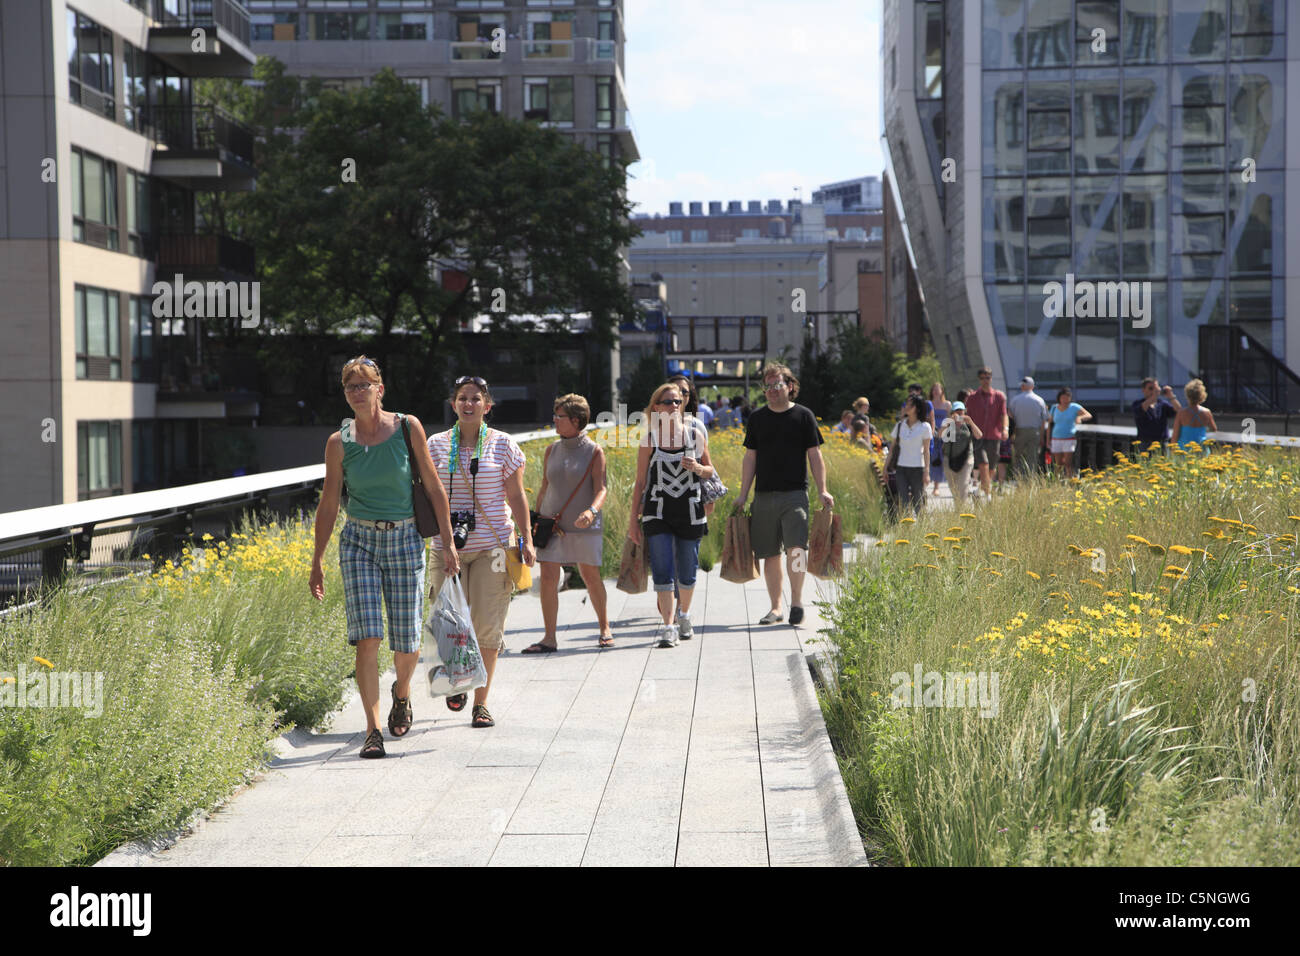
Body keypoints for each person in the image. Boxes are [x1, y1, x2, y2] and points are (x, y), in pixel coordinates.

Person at [310, 356, 458, 760]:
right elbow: (328, 504)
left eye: (364, 385)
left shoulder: (407, 428)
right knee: (367, 638)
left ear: (380, 388)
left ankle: (402, 692)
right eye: (350, 386)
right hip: (358, 540)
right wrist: (317, 558)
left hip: (406, 538)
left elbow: (432, 485)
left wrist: (448, 542)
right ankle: (373, 729)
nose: (357, 392)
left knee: (407, 640)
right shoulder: (339, 443)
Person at [426, 375, 535, 729]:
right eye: (462, 398)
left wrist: (528, 538)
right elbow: (427, 495)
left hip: (494, 546)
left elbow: (516, 495)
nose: (469, 404)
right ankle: (458, 677)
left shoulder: (503, 445)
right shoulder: (436, 445)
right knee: (448, 623)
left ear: (487, 406)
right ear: (453, 404)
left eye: (476, 398)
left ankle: (481, 702)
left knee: (487, 626)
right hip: (447, 547)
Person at [736, 362, 834, 627]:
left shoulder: (804, 416)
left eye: (776, 385)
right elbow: (750, 458)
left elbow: (815, 456)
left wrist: (822, 489)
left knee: (797, 550)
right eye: (767, 386)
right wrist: (743, 495)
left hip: (795, 495)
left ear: (789, 387)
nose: (771, 391)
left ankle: (797, 602)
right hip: (764, 496)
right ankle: (776, 607)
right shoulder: (757, 418)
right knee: (769, 554)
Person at [627, 382, 715, 647]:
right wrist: (633, 520)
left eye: (678, 401)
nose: (674, 406)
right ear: (656, 407)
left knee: (688, 570)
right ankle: (668, 626)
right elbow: (640, 482)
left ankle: (684, 615)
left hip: (690, 510)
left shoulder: (695, 435)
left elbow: (711, 471)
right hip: (657, 511)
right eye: (668, 402)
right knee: (663, 570)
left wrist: (698, 468)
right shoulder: (650, 439)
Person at [526, 394, 611, 652]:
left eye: (559, 416)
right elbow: (544, 487)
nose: (554, 420)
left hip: (584, 524)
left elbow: (602, 489)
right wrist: (535, 521)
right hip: (552, 525)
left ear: (576, 420)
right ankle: (549, 637)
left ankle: (604, 627)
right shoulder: (551, 449)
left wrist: (592, 511)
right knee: (549, 577)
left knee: (590, 576)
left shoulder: (594, 451)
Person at [965, 367, 1008, 497]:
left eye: (988, 377)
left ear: (991, 378)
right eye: (983, 378)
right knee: (983, 463)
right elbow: (968, 417)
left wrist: (1005, 429)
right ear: (979, 379)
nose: (985, 380)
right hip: (978, 437)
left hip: (994, 435)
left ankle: (981, 489)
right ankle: (988, 494)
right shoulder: (972, 397)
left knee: (991, 466)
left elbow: (1004, 415)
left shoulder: (999, 396)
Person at [889, 395, 933, 515]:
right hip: (901, 468)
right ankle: (905, 529)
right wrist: (884, 468)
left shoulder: (925, 427)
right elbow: (892, 448)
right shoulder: (899, 425)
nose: (907, 407)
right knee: (902, 501)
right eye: (906, 404)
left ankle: (921, 529)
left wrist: (927, 472)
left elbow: (926, 450)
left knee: (918, 501)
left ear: (917, 408)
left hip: (917, 468)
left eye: (910, 405)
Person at [939, 400, 982, 504]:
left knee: (963, 485)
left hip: (967, 458)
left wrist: (971, 422)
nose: (959, 414)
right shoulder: (947, 423)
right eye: (956, 411)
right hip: (949, 459)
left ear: (964, 412)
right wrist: (949, 423)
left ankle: (961, 510)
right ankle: (960, 504)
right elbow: (940, 435)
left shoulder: (968, 425)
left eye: (961, 412)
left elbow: (979, 435)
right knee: (953, 487)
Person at [1007, 376, 1050, 478]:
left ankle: (1018, 478)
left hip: (1019, 431)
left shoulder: (1015, 400)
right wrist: (1042, 436)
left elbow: (1010, 417)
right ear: (1033, 386)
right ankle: (1030, 479)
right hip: (1035, 431)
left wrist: (1012, 433)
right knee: (1033, 457)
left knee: (1018, 456)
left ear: (1022, 386)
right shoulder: (1039, 400)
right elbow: (1044, 420)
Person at [1048, 387, 1092, 478]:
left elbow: (1088, 415)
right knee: (1058, 463)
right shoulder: (1054, 407)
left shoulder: (1074, 407)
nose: (1065, 400)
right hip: (1056, 437)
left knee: (1068, 463)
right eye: (1063, 397)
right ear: (1059, 398)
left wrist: (1079, 417)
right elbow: (1049, 423)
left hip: (1069, 438)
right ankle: (1058, 481)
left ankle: (1070, 481)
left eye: (1067, 397)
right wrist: (1047, 439)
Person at [1132, 377, 1182, 452]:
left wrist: (1171, 396)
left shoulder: (1163, 404)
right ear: (1143, 390)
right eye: (1151, 388)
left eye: (1156, 388)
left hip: (1162, 442)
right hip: (1145, 443)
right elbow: (1141, 410)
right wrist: (1154, 396)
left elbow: (1179, 411)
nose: (1154, 391)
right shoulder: (1137, 404)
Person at [1172, 379, 1218, 450]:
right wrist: (1201, 430)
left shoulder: (1182, 413)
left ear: (1187, 395)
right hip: (1201, 448)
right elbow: (1214, 429)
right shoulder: (1207, 412)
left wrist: (1172, 449)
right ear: (1202, 395)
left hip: (1184, 448)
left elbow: (1175, 435)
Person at [928, 383, 951, 494]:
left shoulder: (947, 405)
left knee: (943, 459)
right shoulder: (929, 404)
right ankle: (934, 486)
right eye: (934, 390)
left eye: (938, 390)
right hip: (931, 434)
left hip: (944, 435)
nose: (936, 392)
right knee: (932, 458)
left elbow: (950, 420)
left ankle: (943, 482)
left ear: (942, 391)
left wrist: (942, 430)